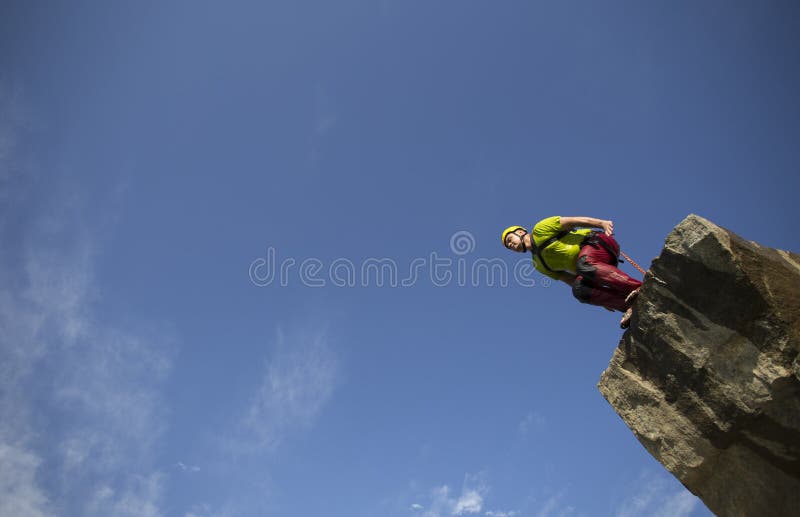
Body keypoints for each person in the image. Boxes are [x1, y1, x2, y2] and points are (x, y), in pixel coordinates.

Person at [501, 216, 642, 328]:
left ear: (520, 232)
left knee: (584, 264)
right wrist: (604, 299)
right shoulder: (538, 264)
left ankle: (639, 288)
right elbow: (570, 279)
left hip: (597, 243)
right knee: (579, 290)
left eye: (509, 239)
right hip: (591, 268)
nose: (510, 245)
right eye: (508, 246)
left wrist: (601, 223)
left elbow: (574, 221)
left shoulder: (540, 228)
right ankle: (627, 305)